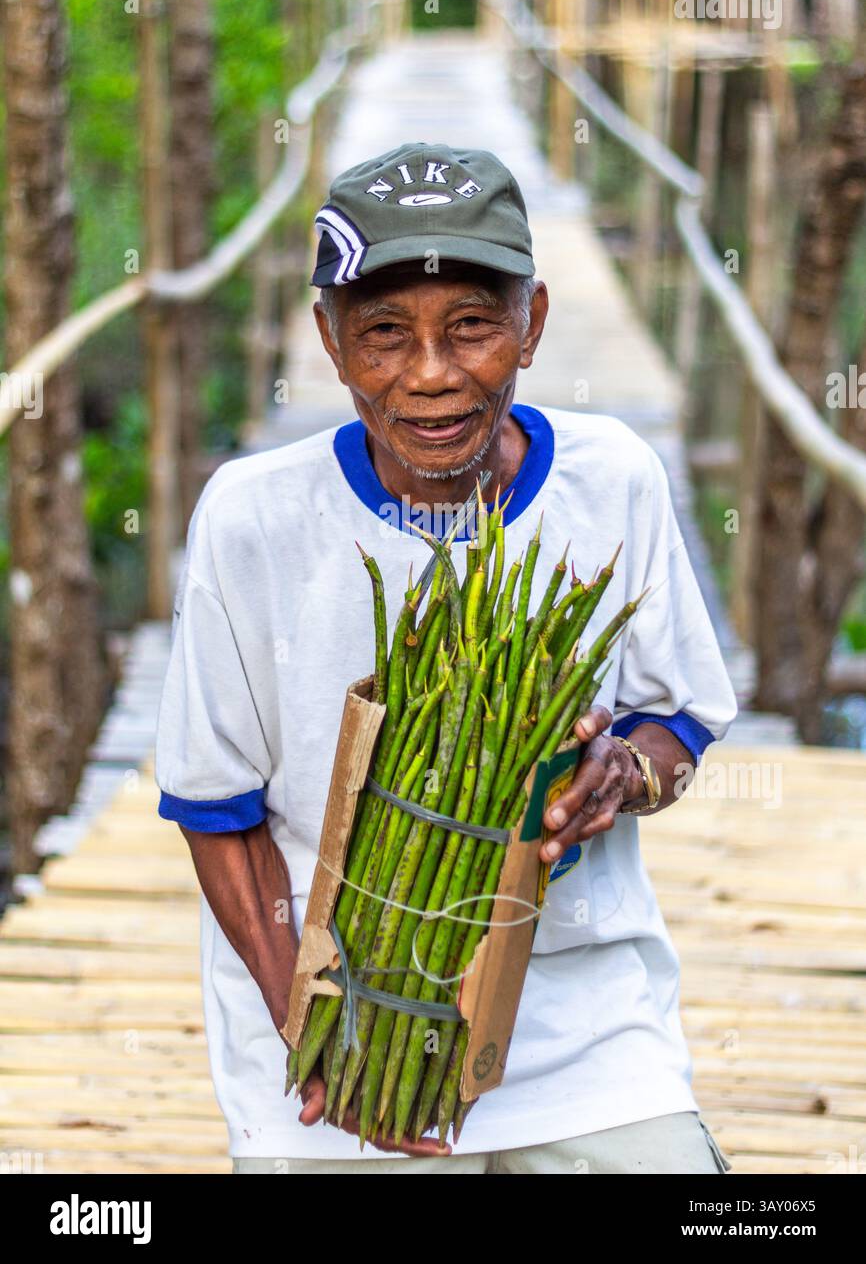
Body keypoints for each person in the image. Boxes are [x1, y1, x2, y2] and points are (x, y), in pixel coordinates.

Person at [155, 142, 737, 1174]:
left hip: (584, 1032)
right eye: (383, 333)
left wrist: (624, 774)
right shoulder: (251, 520)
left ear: (533, 322)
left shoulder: (614, 481)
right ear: (330, 343)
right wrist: (318, 1029)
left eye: (470, 324)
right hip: (338, 1031)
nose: (430, 374)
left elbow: (674, 718)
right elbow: (220, 811)